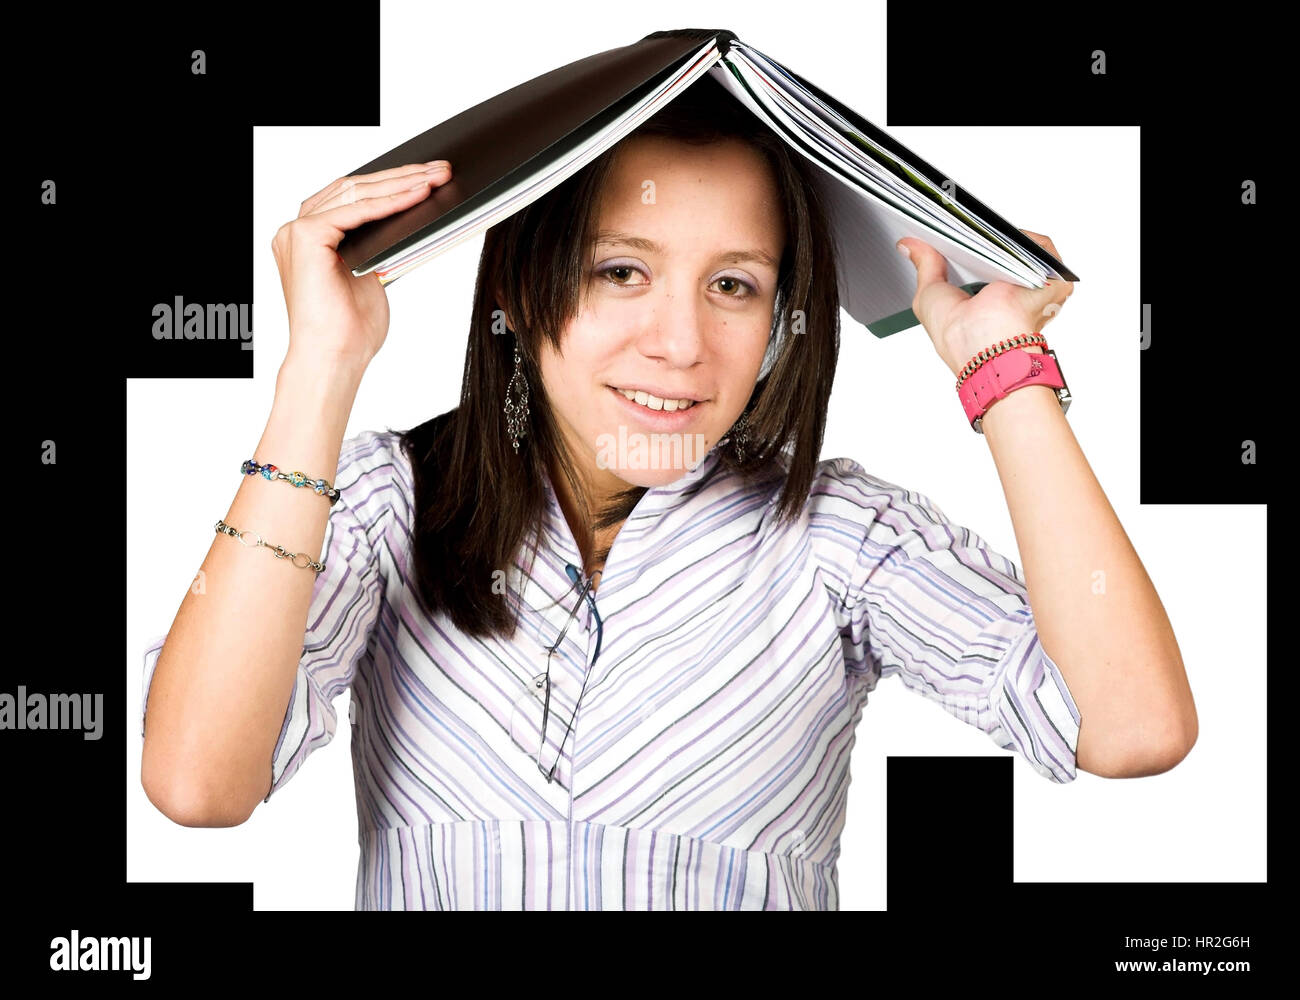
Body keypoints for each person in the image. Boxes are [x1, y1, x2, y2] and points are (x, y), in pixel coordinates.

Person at [138, 77, 1197, 909]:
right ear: (514, 284)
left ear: (786, 315)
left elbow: (1129, 726)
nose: (681, 344)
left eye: (733, 284)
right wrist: (320, 366)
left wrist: (999, 365)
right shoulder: (386, 503)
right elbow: (197, 782)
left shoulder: (835, 536)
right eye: (620, 271)